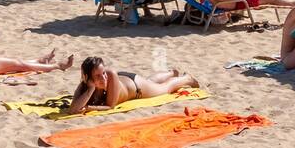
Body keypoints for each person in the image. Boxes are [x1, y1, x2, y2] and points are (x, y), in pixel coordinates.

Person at [68, 56, 198, 113]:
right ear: (87, 77)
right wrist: (90, 89)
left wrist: (90, 107)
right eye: (98, 76)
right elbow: (72, 110)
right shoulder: (85, 84)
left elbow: (110, 106)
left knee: (165, 88)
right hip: (127, 82)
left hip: (136, 87)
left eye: (103, 73)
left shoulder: (111, 75)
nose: (103, 78)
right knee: (151, 82)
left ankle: (187, 78)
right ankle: (171, 73)